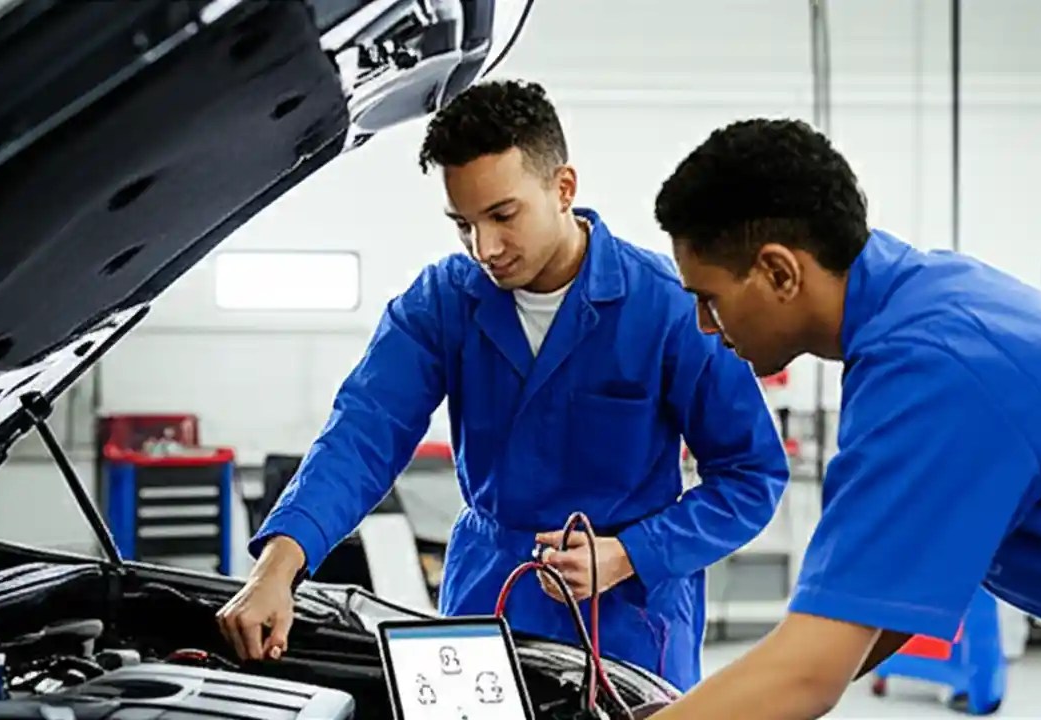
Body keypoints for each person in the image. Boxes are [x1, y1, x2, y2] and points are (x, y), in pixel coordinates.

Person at [641, 117, 1041, 719]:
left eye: (708, 299)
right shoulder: (924, 303)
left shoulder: (930, 368)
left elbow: (810, 676)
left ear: (780, 271)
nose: (703, 326)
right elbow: (871, 606)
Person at [215, 80, 790, 692]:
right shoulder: (442, 303)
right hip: (487, 593)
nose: (484, 248)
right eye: (462, 223)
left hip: (627, 614)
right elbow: (364, 432)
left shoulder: (670, 307)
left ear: (563, 188)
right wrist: (279, 567)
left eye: (502, 215)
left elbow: (751, 476)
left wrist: (631, 554)